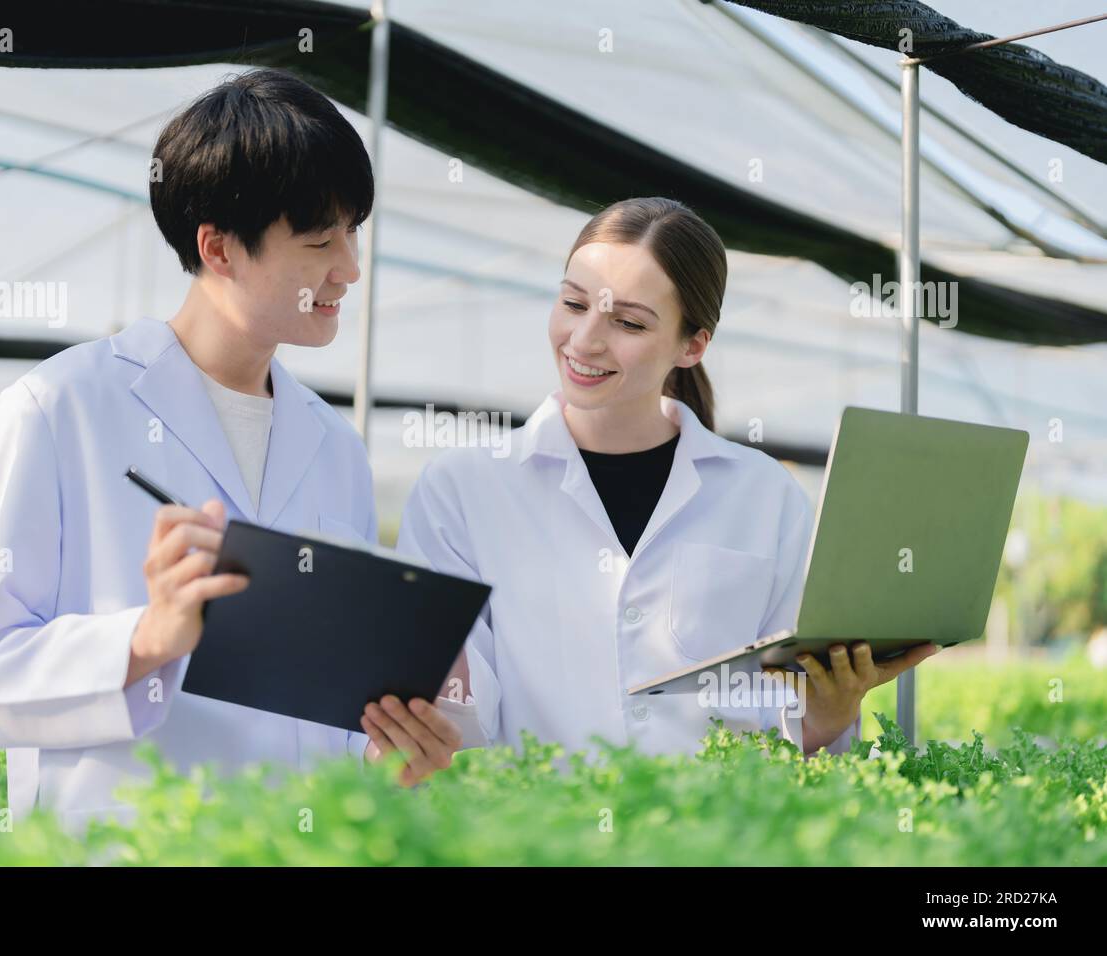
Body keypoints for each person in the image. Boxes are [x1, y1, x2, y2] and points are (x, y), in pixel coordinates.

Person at [0, 68, 461, 834]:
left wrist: (386, 757)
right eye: (321, 241)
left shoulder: (335, 448)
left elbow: (320, 709)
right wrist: (144, 640)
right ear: (218, 248)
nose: (349, 269)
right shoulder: (61, 408)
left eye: (353, 233)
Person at [396, 197, 939, 759]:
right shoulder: (463, 489)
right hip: (538, 842)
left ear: (693, 344)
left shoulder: (765, 496)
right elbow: (453, 709)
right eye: (573, 304)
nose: (584, 340)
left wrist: (826, 718)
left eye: (628, 322)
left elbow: (791, 719)